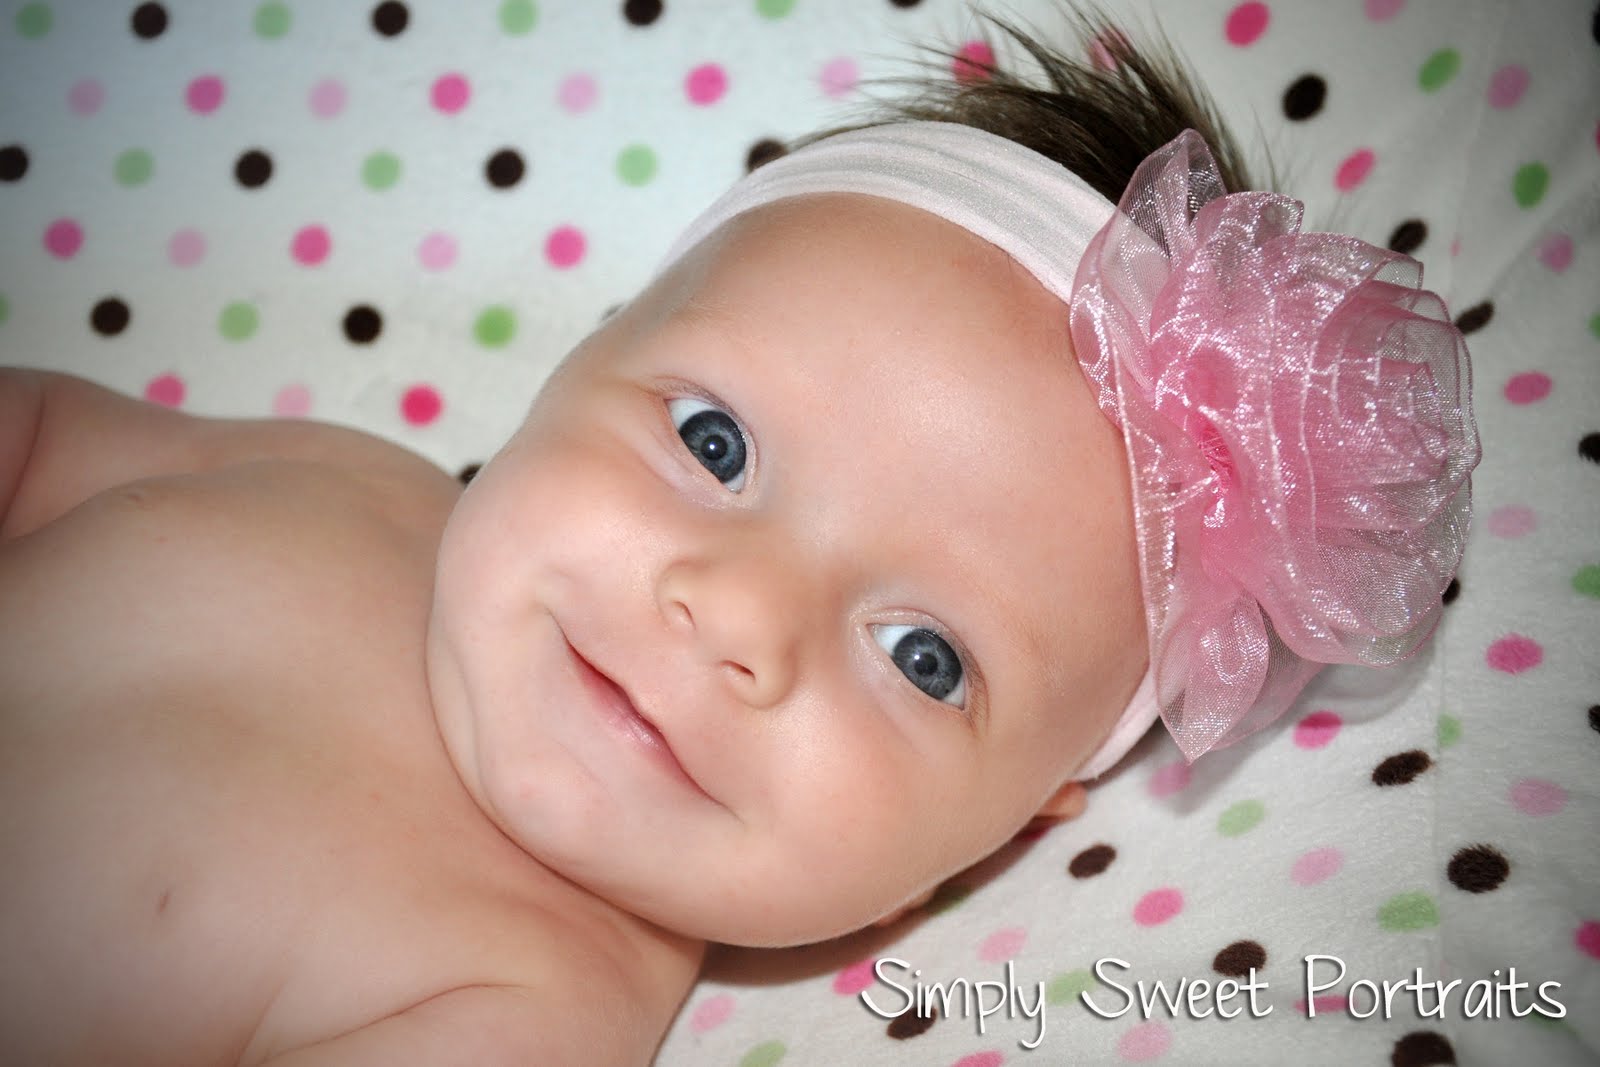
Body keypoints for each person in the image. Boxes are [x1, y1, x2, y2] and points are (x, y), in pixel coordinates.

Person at [0, 10, 1477, 1065]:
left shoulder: (526, 1000)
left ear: (1000, 841)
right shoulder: (339, 477)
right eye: (714, 446)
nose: (740, 618)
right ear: (586, 350)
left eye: (923, 656)